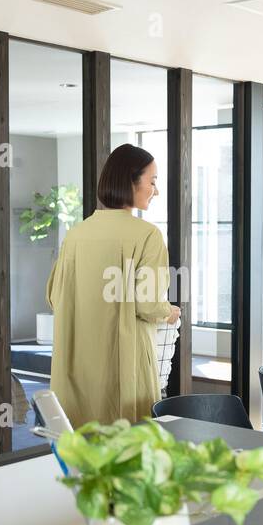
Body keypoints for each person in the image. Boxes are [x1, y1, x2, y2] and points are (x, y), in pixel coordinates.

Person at [47, 143, 180, 426]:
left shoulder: (76, 235)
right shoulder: (147, 235)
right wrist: (167, 312)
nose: (155, 190)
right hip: (124, 367)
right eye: (152, 182)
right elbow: (149, 303)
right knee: (129, 451)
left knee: (84, 456)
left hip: (76, 366)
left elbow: (54, 295)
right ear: (130, 182)